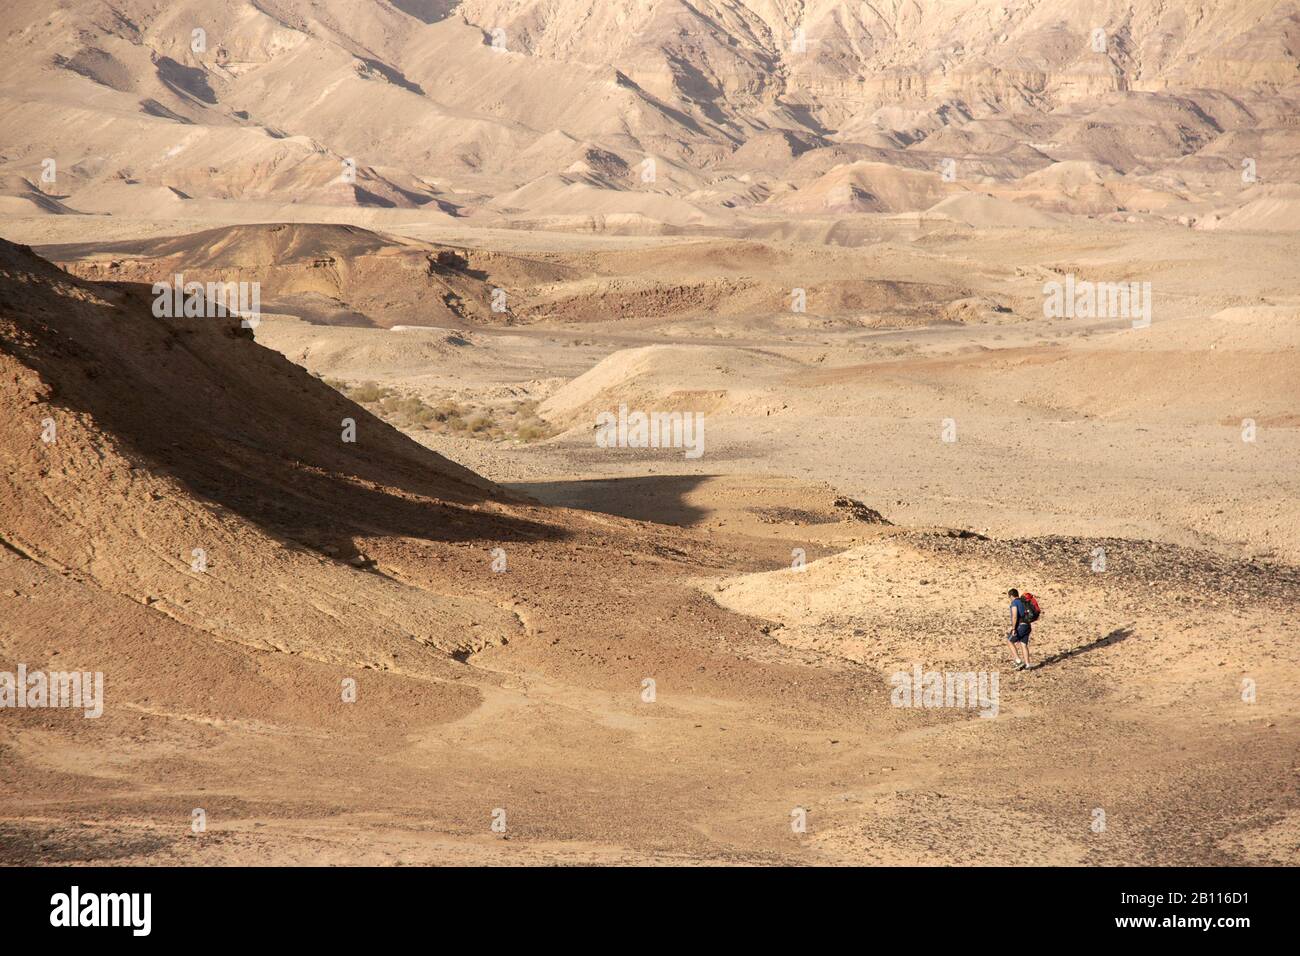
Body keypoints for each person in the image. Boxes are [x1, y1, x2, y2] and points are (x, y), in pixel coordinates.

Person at [1007, 588, 1033, 670]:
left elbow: (1014, 616)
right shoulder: (1023, 602)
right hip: (1028, 625)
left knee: (1009, 641)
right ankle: (1028, 665)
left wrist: (1014, 628)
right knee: (1023, 644)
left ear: (1011, 596)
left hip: (1021, 626)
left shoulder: (1015, 602)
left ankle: (1018, 661)